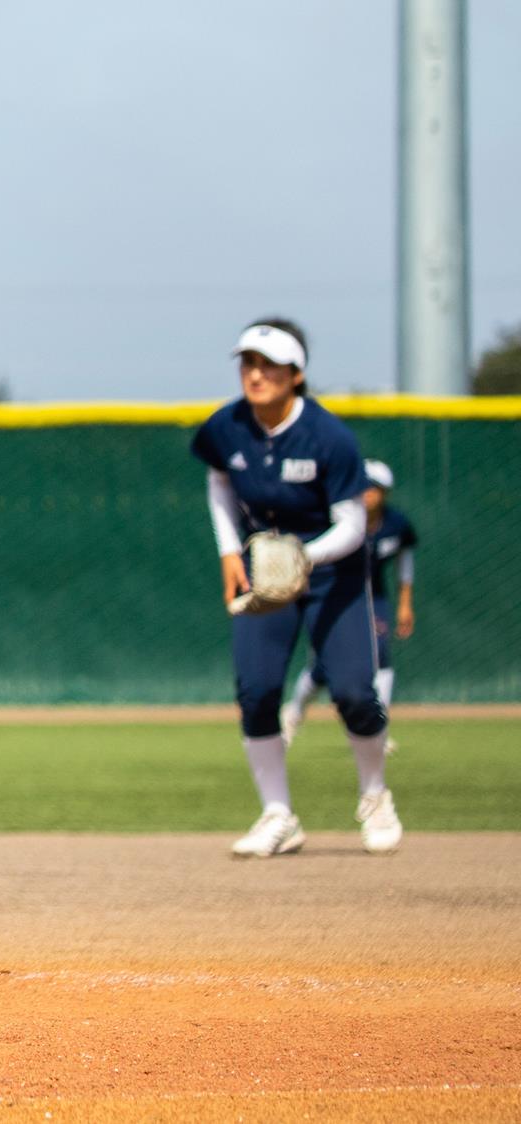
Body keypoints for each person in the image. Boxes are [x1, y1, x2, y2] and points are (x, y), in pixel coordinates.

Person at [191, 319, 402, 857]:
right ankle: (278, 814)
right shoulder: (227, 426)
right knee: (257, 691)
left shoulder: (329, 437)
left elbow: (353, 526)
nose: (255, 374)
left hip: (332, 571)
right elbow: (219, 484)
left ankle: (375, 796)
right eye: (247, 363)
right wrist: (229, 551)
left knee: (356, 692)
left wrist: (302, 556)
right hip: (265, 567)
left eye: (268, 365)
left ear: (296, 374)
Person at [281, 459, 419, 753]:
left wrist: (405, 603)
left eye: (376, 488)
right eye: (364, 486)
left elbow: (405, 558)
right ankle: (293, 713)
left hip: (374, 599)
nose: (369, 492)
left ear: (386, 493)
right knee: (322, 670)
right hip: (336, 597)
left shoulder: (395, 524)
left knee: (380, 657)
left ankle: (374, 726)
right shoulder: (336, 521)